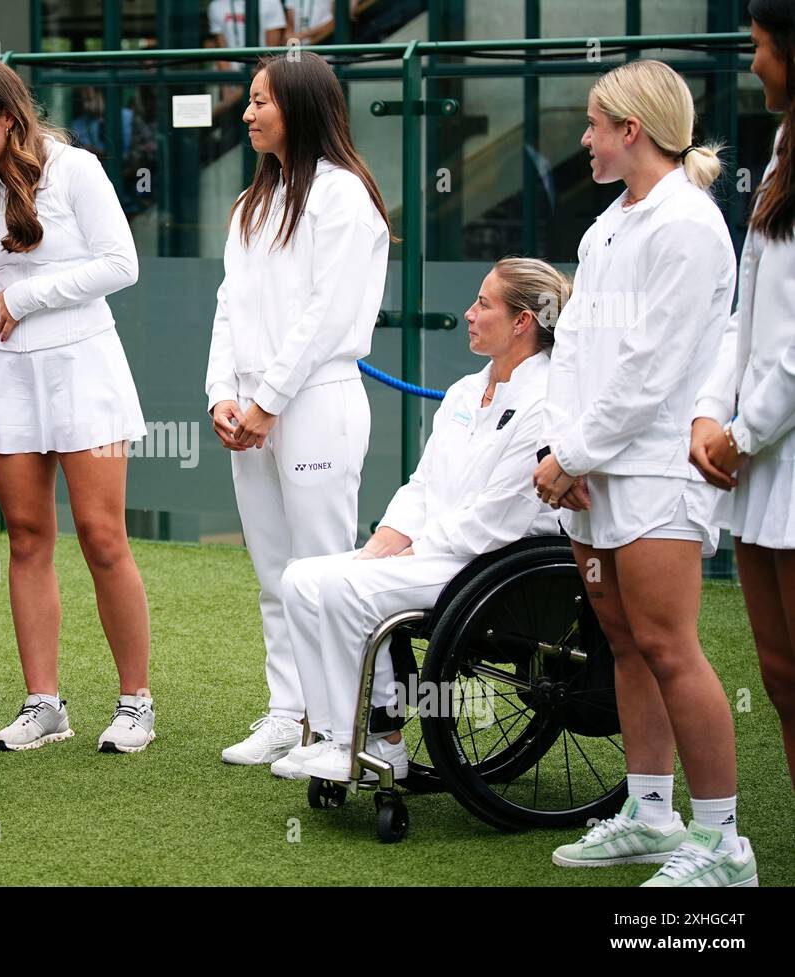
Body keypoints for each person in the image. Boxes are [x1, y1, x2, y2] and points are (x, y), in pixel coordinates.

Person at [535, 60, 757, 886]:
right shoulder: (607, 225)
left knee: (668, 644)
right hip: (596, 473)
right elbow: (575, 347)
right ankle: (651, 813)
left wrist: (572, 455)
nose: (585, 139)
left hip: (658, 471)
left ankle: (724, 844)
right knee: (626, 640)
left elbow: (650, 368)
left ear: (631, 130)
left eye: (594, 125)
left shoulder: (689, 226)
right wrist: (564, 452)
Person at [0, 59, 154, 754]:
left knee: (103, 537)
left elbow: (122, 263)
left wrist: (23, 296)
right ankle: (44, 704)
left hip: (88, 371)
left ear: (8, 117)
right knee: (25, 538)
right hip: (8, 378)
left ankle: (136, 703)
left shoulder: (76, 169)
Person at [278, 259, 565, 784]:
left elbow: (500, 515)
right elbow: (423, 483)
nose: (469, 313)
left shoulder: (546, 401)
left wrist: (415, 550)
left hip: (494, 564)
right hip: (441, 552)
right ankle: (334, 735)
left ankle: (380, 744)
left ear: (523, 321)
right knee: (300, 579)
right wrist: (385, 542)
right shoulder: (463, 392)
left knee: (346, 588)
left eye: (484, 304)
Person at [206, 51, 390, 766]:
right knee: (274, 572)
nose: (248, 113)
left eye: (261, 101)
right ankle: (289, 714)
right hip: (255, 405)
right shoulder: (252, 204)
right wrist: (223, 394)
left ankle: (344, 728)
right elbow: (229, 305)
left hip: (315, 399)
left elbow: (325, 313)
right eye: (249, 100)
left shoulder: (343, 196)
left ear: (302, 108)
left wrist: (269, 401)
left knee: (324, 569)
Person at [692, 0, 795, 793]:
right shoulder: (785, 143)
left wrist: (743, 431)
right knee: (780, 672)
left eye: (759, 46)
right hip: (763, 461)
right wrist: (711, 413)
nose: (753, 61)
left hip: (770, 447)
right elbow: (748, 313)